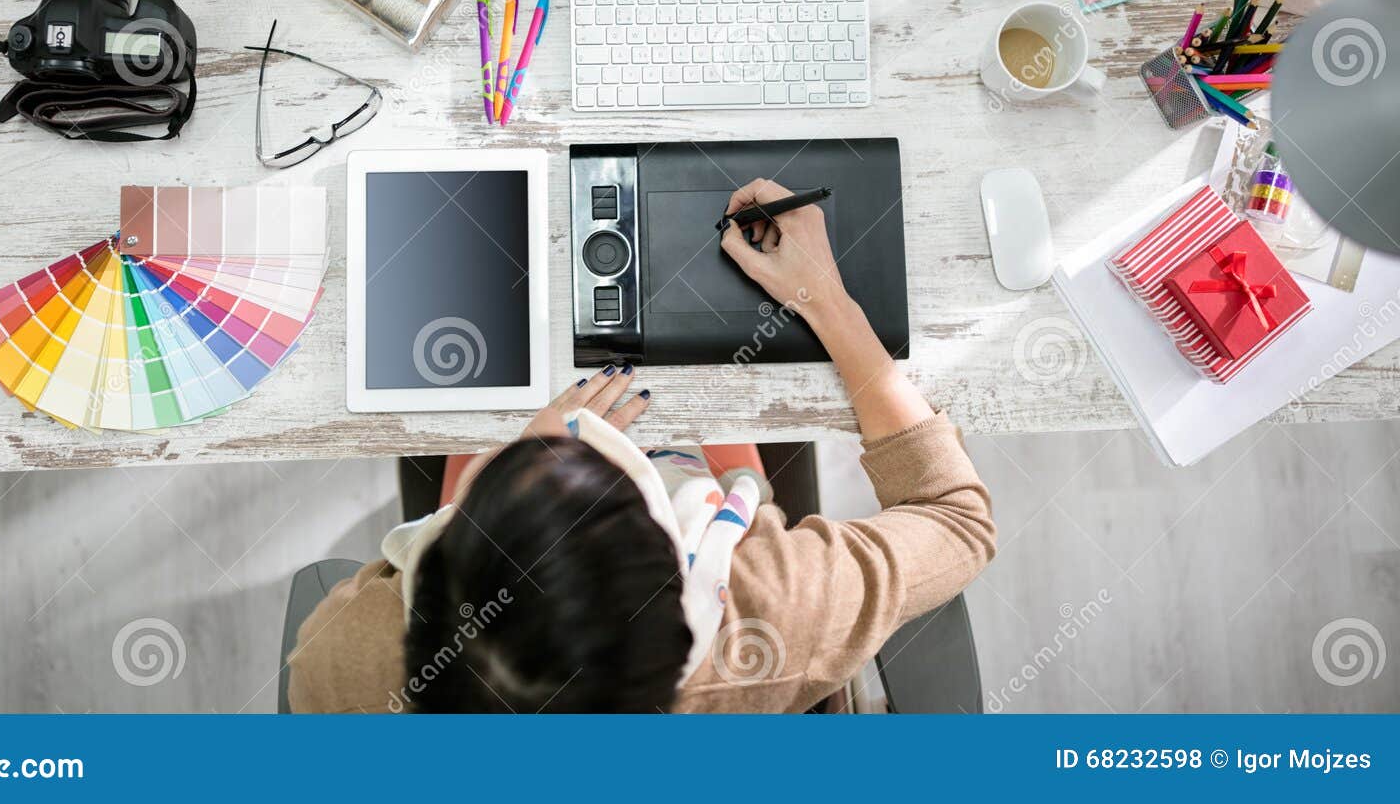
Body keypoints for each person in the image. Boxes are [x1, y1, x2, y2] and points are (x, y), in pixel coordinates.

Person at [289, 179, 997, 713]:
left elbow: (315, 661)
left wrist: (516, 449)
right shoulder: (775, 614)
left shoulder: (351, 670)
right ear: (678, 566)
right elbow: (957, 519)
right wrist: (829, 302)